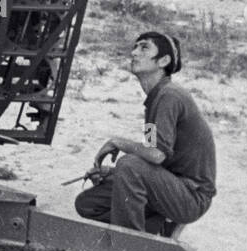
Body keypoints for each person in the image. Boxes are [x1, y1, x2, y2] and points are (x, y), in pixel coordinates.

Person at [74, 31, 216, 234]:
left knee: (129, 164)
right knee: (88, 203)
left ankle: (128, 249)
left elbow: (156, 155)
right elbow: (152, 154)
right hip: (173, 186)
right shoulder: (154, 101)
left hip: (191, 196)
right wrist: (111, 174)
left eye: (144, 47)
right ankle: (157, 228)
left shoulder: (169, 96)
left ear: (163, 60)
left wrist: (118, 142)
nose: (134, 53)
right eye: (135, 47)